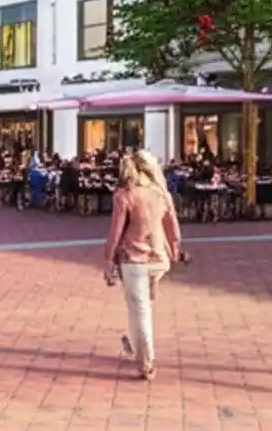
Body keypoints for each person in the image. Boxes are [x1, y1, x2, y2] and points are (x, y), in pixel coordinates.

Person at [104, 150, 182, 382]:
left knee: (140, 309)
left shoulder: (124, 195)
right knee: (140, 304)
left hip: (134, 258)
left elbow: (115, 232)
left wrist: (108, 259)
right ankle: (133, 338)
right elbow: (173, 227)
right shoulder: (161, 193)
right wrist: (175, 249)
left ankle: (146, 361)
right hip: (159, 259)